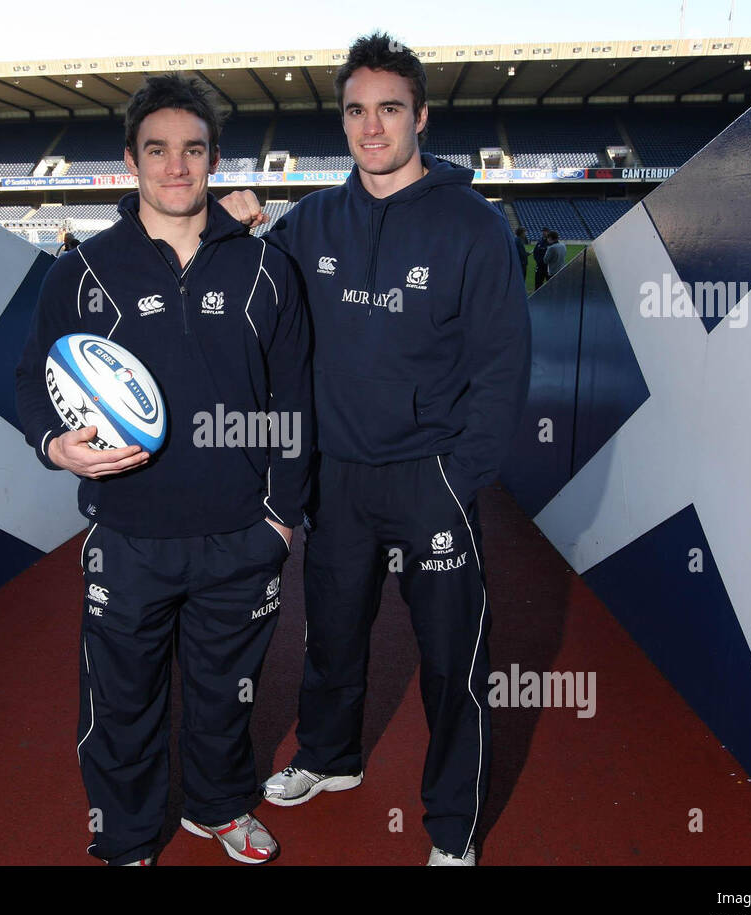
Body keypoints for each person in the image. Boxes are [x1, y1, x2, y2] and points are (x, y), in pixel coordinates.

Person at [220, 32, 530, 866]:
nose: (371, 126)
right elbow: (248, 302)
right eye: (356, 110)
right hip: (338, 479)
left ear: (420, 115)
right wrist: (230, 223)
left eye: (389, 108)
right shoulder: (310, 220)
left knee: (448, 663)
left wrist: (458, 481)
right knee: (332, 638)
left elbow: (502, 369)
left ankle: (452, 829)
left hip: (433, 477)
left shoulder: (474, 227)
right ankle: (330, 758)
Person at [14, 73, 312, 866]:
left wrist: (280, 520)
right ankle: (127, 834)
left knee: (225, 697)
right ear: (130, 161)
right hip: (130, 536)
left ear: (214, 159)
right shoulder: (82, 274)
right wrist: (54, 444)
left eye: (192, 150)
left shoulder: (264, 271)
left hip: (240, 540)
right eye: (158, 151)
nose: (176, 167)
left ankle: (215, 808)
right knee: (122, 704)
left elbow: (294, 398)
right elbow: (27, 379)